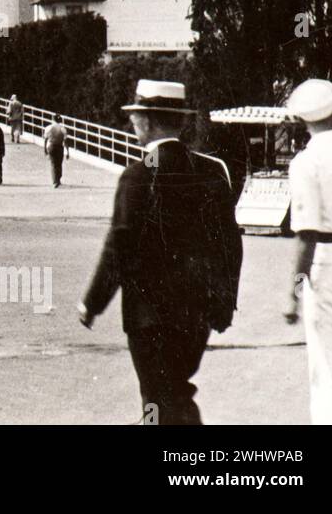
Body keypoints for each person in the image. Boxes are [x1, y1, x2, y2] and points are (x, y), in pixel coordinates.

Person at [78, 80, 242, 426]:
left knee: (157, 398)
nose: (133, 124)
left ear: (149, 122)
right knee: (176, 391)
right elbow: (230, 244)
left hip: (148, 316)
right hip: (197, 314)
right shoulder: (212, 172)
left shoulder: (136, 177)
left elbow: (119, 246)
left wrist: (92, 304)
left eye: (136, 118)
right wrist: (224, 302)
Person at [281, 79, 332, 424]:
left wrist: (293, 294)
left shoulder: (306, 163)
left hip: (329, 262)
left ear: (303, 120)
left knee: (329, 367)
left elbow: (307, 234)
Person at [44, 114, 70, 188]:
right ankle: (58, 179)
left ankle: (55, 181)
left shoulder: (48, 128)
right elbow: (65, 141)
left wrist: (45, 149)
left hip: (51, 146)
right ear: (60, 120)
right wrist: (67, 151)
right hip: (60, 147)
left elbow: (45, 139)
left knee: (53, 164)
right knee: (59, 163)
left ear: (52, 119)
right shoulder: (63, 128)